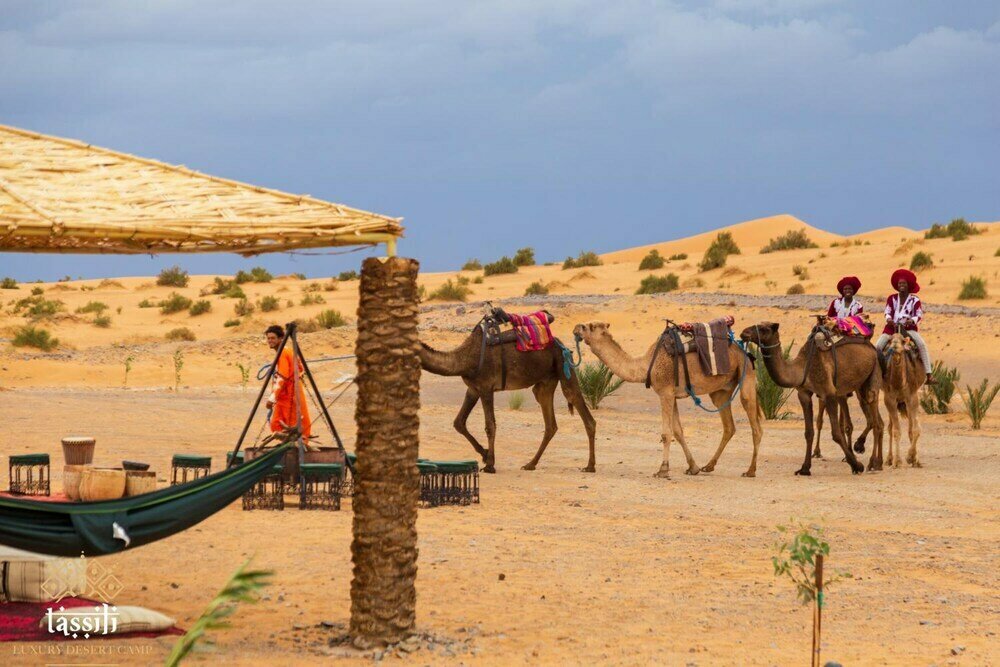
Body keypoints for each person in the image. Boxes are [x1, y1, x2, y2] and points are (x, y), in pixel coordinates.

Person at [874, 269, 934, 385]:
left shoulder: (914, 300)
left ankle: (929, 374)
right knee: (877, 347)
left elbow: (918, 314)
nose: (901, 285)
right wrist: (889, 319)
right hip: (892, 329)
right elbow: (887, 311)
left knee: (921, 344)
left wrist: (912, 320)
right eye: (899, 284)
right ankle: (875, 374)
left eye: (904, 283)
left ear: (908, 285)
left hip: (908, 329)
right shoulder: (892, 298)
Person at [264, 324, 312, 441]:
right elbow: (300, 368)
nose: (270, 341)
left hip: (289, 394)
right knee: (285, 422)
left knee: (284, 423)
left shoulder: (282, 354)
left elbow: (282, 376)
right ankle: (292, 445)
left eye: (273, 338)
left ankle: (292, 448)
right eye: (268, 338)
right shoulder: (288, 351)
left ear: (281, 339)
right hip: (292, 392)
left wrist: (272, 398)